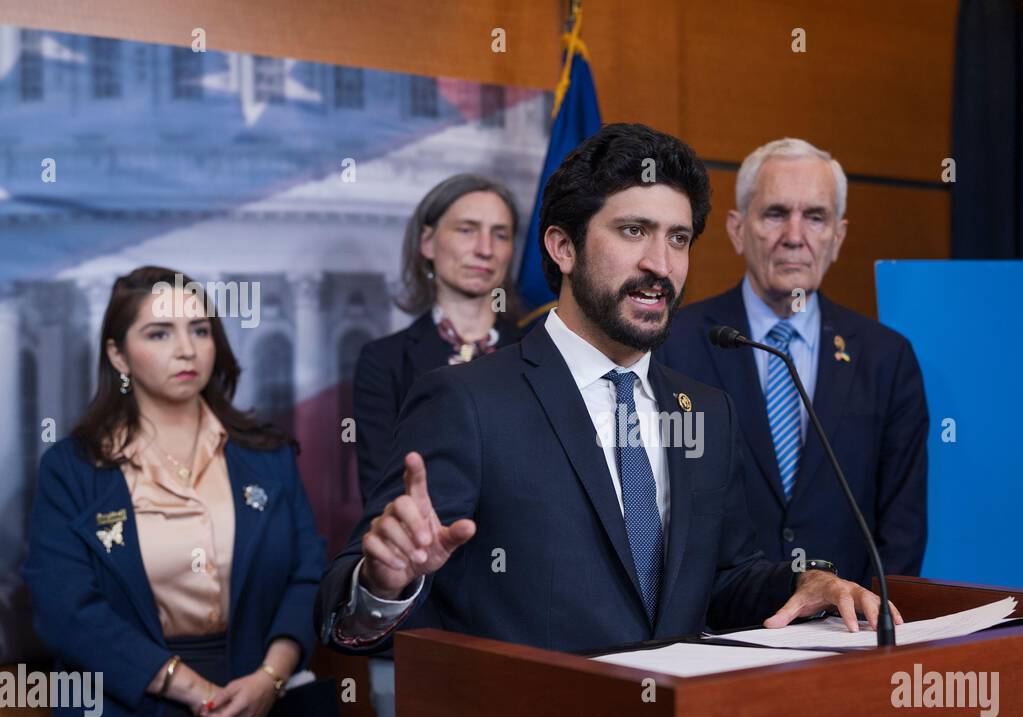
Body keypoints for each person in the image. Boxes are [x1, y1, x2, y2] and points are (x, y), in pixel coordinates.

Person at [314, 123, 901, 664]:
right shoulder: (467, 402)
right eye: (633, 231)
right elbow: (343, 609)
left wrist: (803, 584)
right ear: (562, 248)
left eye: (677, 238)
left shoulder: (705, 411)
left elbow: (723, 580)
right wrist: (384, 584)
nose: (660, 264)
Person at [23, 266, 327, 717]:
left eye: (200, 330)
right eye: (159, 333)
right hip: (134, 710)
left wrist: (268, 680)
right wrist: (197, 694)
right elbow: (64, 612)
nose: (186, 349)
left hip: (255, 698)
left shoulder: (267, 456)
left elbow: (307, 576)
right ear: (118, 354)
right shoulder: (74, 468)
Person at [656, 137, 929, 584]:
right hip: (714, 635)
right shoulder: (674, 343)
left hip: (847, 632)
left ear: (838, 237)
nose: (795, 237)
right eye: (776, 214)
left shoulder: (886, 359)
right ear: (737, 229)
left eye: (815, 217)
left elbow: (902, 529)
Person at [350, 173, 522, 717]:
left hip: (527, 633)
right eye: (466, 228)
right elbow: (384, 501)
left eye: (502, 233)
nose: (485, 248)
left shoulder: (540, 352)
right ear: (426, 242)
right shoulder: (385, 362)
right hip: (424, 637)